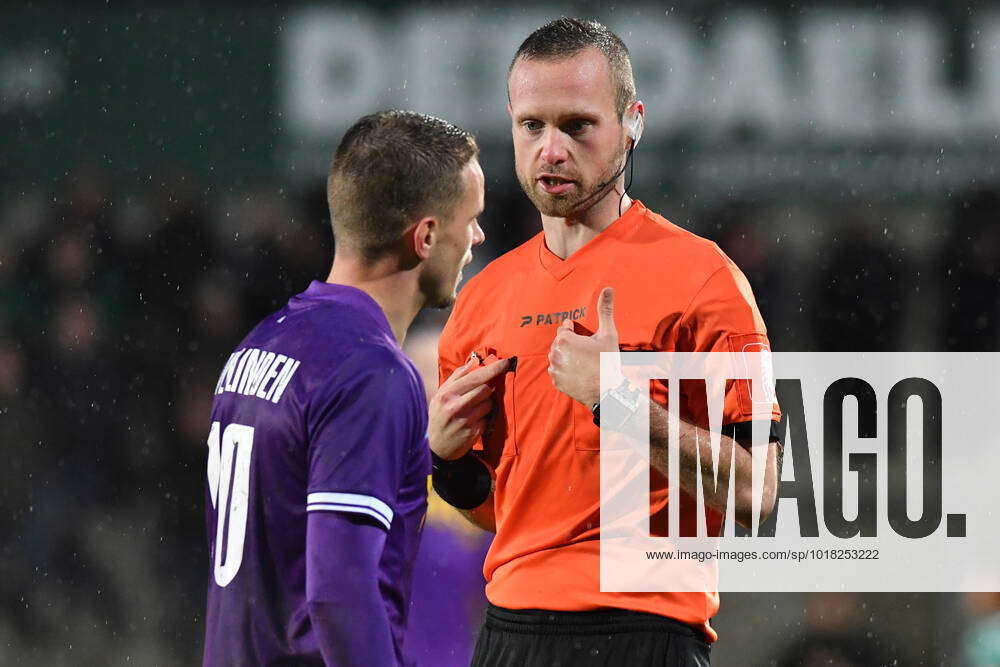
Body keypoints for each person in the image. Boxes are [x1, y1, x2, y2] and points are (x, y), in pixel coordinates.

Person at [428, 18, 782, 667]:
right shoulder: (481, 302)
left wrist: (620, 404)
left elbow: (758, 493)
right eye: (532, 125)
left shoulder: (705, 281)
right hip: (511, 636)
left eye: (577, 125)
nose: (551, 149)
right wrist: (449, 466)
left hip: (645, 632)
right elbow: (504, 509)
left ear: (632, 123)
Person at [201, 110, 508, 666]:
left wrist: (427, 454)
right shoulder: (371, 373)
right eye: (472, 219)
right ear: (428, 235)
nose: (478, 237)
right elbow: (339, 592)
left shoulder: (262, 343)